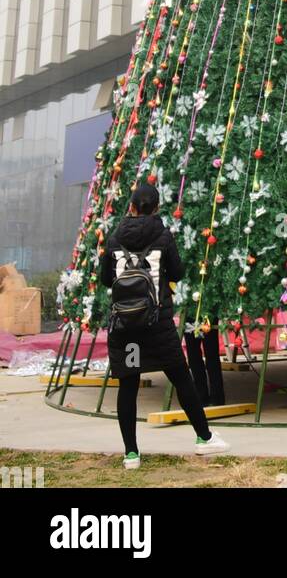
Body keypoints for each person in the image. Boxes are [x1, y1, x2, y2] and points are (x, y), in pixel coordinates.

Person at [100, 182, 228, 469]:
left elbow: (107, 280)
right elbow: (179, 273)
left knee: (129, 384)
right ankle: (204, 439)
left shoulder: (114, 238)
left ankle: (131, 454)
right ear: (156, 208)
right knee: (181, 378)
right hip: (156, 327)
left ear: (131, 208)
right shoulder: (163, 235)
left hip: (127, 329)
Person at [183, 322, 226, 407]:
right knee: (194, 356)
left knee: (211, 356)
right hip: (191, 317)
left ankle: (217, 398)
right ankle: (200, 396)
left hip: (208, 315)